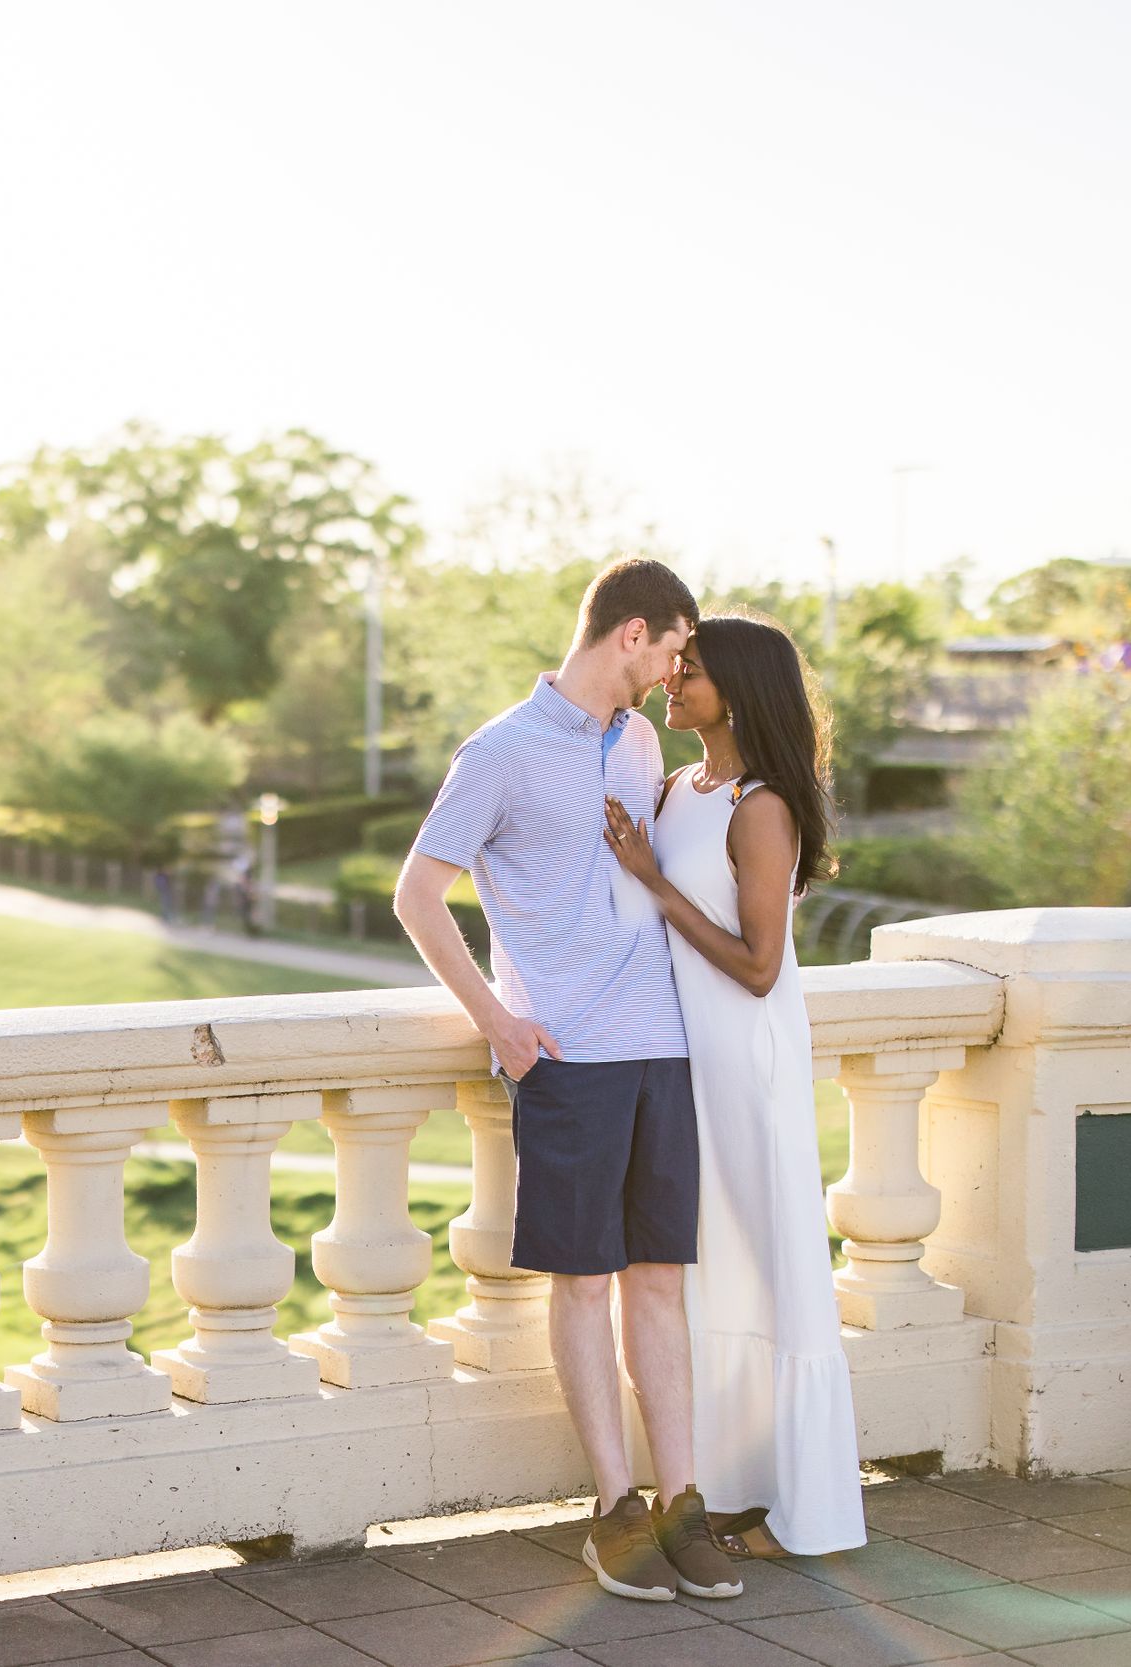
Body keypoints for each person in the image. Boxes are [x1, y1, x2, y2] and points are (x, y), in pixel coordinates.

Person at [394, 557, 745, 1603]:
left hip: (663, 1050)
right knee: (583, 1281)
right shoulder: (498, 752)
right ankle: (613, 1507)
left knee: (659, 1279)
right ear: (631, 633)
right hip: (570, 1059)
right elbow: (418, 894)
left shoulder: (639, 743)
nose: (676, 671)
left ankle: (681, 1500)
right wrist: (495, 1019)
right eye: (675, 648)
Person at [603, 613, 867, 1557]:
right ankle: (718, 1488)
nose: (673, 684)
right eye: (674, 668)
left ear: (741, 690)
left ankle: (804, 1506)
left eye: (693, 673)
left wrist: (654, 881)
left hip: (747, 1060)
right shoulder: (677, 786)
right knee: (704, 1263)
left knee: (771, 1257)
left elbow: (760, 965)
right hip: (682, 1058)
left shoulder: (761, 806)